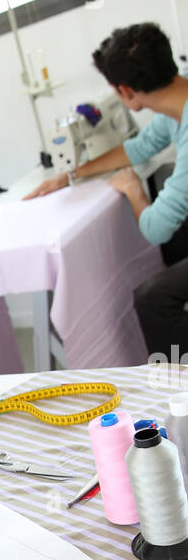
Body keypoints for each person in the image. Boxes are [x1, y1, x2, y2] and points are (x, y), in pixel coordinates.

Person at [24, 23, 188, 359]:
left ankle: (179, 397)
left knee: (152, 298)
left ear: (125, 91)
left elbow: (156, 228)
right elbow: (140, 147)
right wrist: (72, 173)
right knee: (175, 245)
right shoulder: (176, 106)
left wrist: (133, 191)